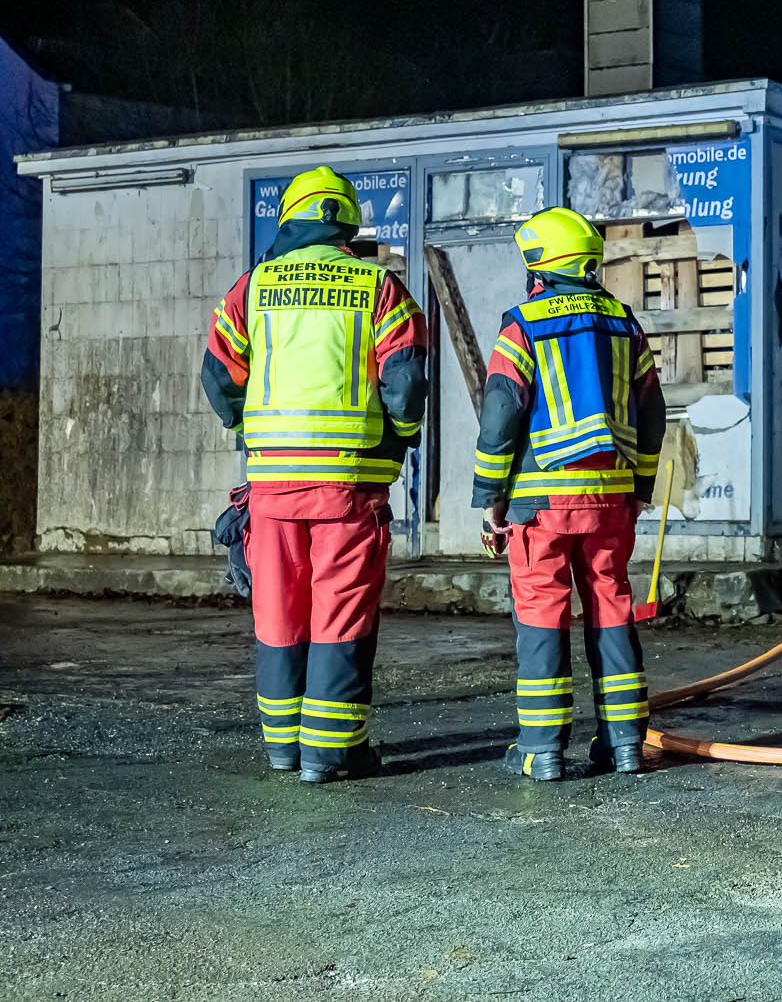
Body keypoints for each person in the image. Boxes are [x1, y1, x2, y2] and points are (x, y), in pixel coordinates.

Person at [202, 167, 428, 783]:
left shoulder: (252, 287)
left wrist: (250, 427)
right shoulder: (379, 287)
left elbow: (219, 378)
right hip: (349, 483)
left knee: (278, 614)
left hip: (273, 486)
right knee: (340, 614)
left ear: (289, 220)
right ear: (346, 223)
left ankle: (283, 749)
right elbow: (406, 382)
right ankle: (329, 754)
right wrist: (398, 438)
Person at [471, 207, 667, 780]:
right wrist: (640, 487)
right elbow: (652, 412)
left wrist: (492, 503)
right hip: (611, 501)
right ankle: (625, 744)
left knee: (542, 617)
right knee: (612, 608)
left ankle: (543, 751)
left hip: (541, 509)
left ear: (539, 265)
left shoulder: (522, 325)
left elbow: (501, 419)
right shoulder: (624, 323)